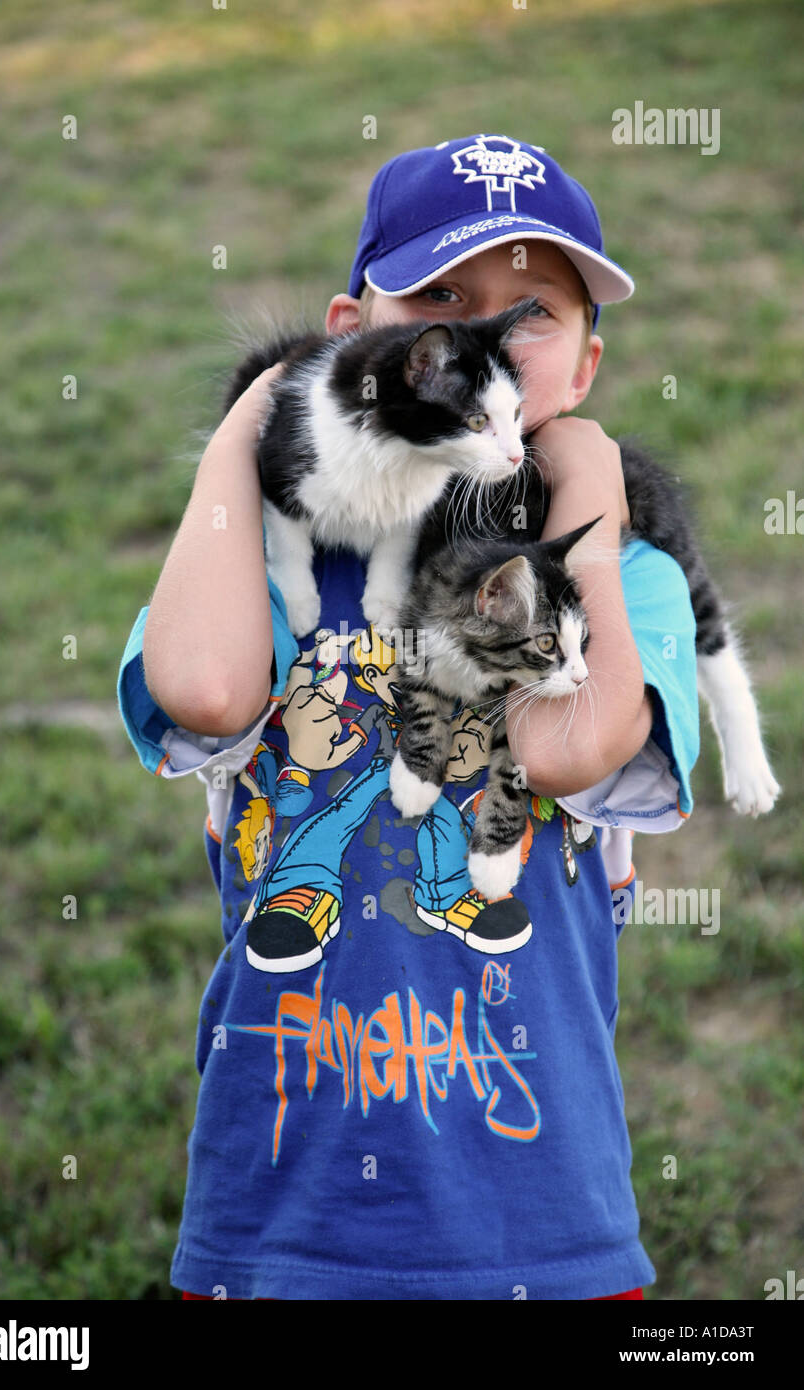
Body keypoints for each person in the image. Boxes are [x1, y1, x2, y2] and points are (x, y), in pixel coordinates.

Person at [117, 134, 699, 1300]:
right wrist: (252, 422)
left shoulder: (626, 585)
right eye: (436, 296)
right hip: (281, 1221)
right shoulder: (282, 566)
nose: (482, 329)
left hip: (537, 1228)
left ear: (581, 369)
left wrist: (585, 493)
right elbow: (203, 690)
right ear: (356, 334)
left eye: (530, 307)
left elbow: (562, 743)